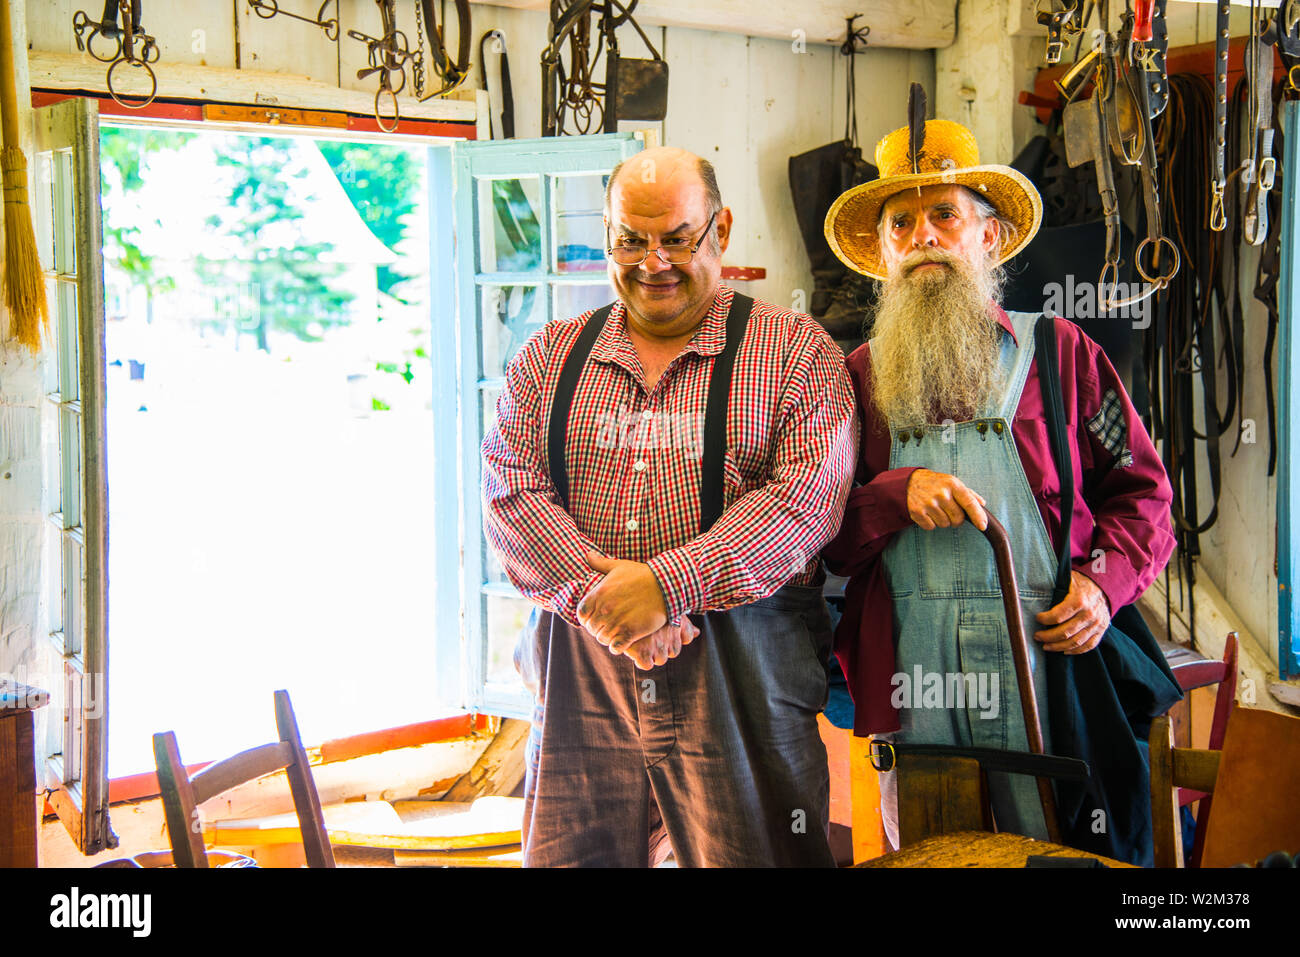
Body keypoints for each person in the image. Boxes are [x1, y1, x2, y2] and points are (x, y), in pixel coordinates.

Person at [820, 91, 1183, 863]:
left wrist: (1102, 585)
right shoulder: (851, 379)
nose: (922, 237)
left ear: (988, 234)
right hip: (913, 677)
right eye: (900, 224)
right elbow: (816, 535)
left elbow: (1144, 492)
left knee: (1052, 848)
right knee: (931, 850)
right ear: (882, 254)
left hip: (1045, 664)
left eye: (943, 216)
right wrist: (890, 498)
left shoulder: (1064, 356)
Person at [481, 146, 858, 866]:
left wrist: (664, 587)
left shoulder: (797, 352)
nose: (653, 261)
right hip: (579, 681)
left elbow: (805, 502)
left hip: (746, 679)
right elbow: (509, 491)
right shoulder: (546, 358)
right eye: (631, 238)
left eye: (678, 237)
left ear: (722, 228)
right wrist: (603, 597)